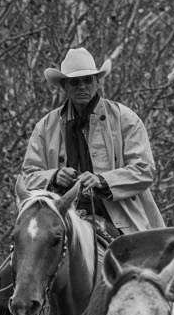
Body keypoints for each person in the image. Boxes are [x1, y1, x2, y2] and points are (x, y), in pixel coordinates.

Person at [16, 46, 165, 238]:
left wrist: (102, 180)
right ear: (64, 86)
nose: (82, 86)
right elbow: (28, 177)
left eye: (87, 80)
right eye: (75, 82)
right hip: (61, 220)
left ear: (97, 82)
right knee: (22, 252)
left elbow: (144, 170)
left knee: (161, 255)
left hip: (121, 220)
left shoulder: (125, 119)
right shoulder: (45, 126)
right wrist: (54, 176)